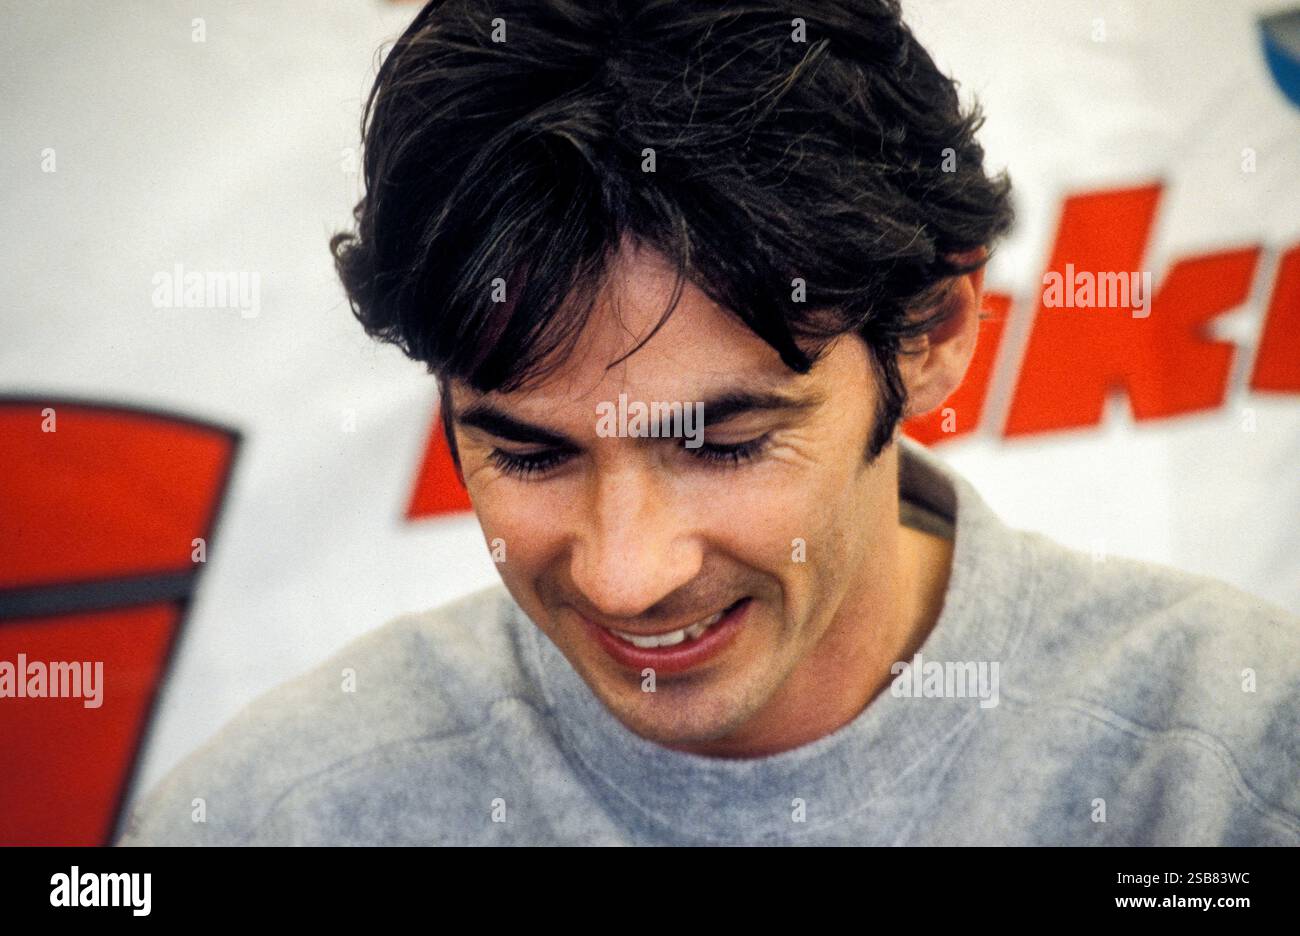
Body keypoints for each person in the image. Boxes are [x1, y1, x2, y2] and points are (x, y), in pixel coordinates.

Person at [117, 0, 1299, 846]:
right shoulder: (284, 813)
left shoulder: (1233, 758)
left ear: (933, 333)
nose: (628, 577)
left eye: (724, 443)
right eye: (527, 451)